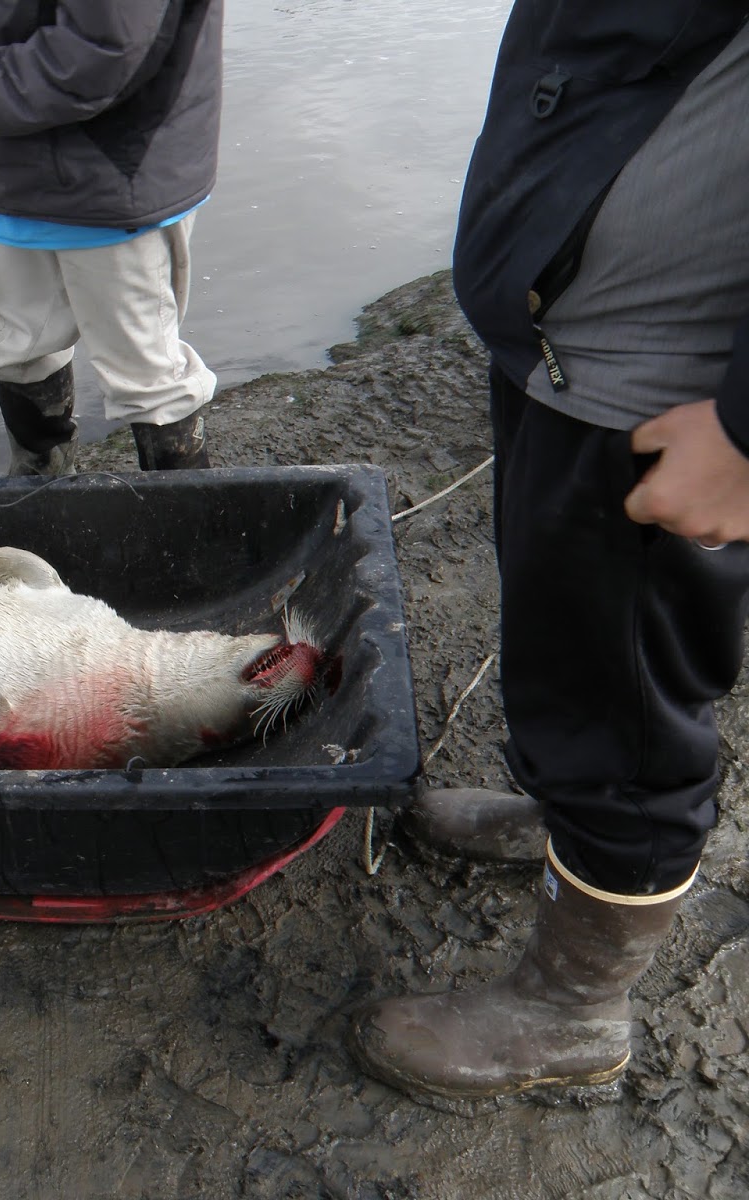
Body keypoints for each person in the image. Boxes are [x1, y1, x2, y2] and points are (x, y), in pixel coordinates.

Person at [349, 1, 749, 1101]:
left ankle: (574, 1007)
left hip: (660, 390)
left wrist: (743, 432)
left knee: (626, 711)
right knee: (558, 639)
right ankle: (563, 818)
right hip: (558, 348)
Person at [0, 2, 223, 475]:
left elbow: (106, 51)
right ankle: (41, 488)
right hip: (25, 172)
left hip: (115, 175)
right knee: (16, 344)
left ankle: (188, 514)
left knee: (147, 377)